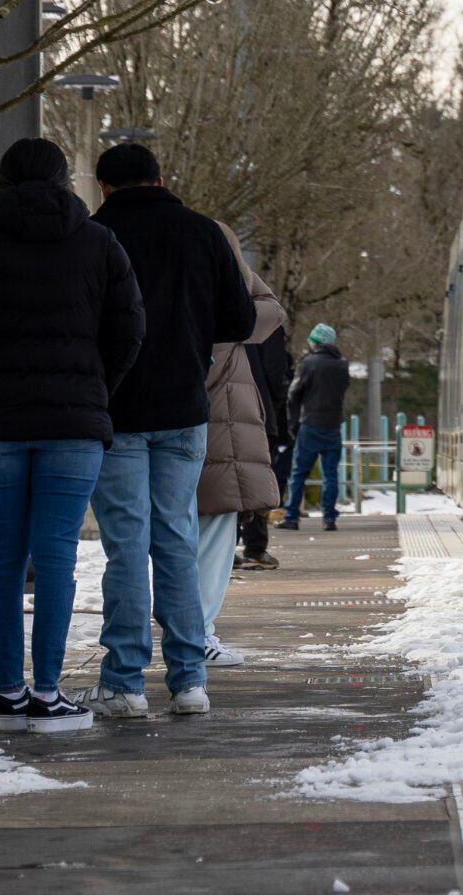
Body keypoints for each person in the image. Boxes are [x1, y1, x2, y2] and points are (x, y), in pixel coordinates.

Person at [0, 139, 144, 734]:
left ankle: (7, 695)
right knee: (55, 556)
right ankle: (48, 695)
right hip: (73, 427)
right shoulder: (100, 243)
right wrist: (95, 388)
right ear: (63, 180)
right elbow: (130, 329)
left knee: (3, 560)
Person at [76, 144, 254, 719]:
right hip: (184, 409)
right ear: (160, 179)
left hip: (117, 410)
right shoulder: (202, 233)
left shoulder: (93, 234)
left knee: (125, 547)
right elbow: (242, 320)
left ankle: (124, 685)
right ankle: (189, 682)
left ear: (103, 186)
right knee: (176, 541)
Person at [193, 224, 285, 666]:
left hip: (160, 413)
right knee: (213, 525)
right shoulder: (215, 246)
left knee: (145, 531)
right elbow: (269, 309)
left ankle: (139, 650)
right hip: (223, 418)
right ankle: (198, 632)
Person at [280, 324, 350, 532]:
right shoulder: (342, 364)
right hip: (333, 425)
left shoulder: (308, 363)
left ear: (316, 342)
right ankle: (329, 517)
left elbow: (294, 393)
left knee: (299, 473)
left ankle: (291, 517)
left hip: (310, 424)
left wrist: (292, 422)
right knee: (331, 474)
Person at [239, 323, 292, 570]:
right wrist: (276, 405)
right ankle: (256, 547)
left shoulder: (214, 305)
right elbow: (276, 372)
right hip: (259, 413)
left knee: (222, 482)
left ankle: (224, 550)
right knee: (257, 482)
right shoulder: (267, 320)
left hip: (216, 412)